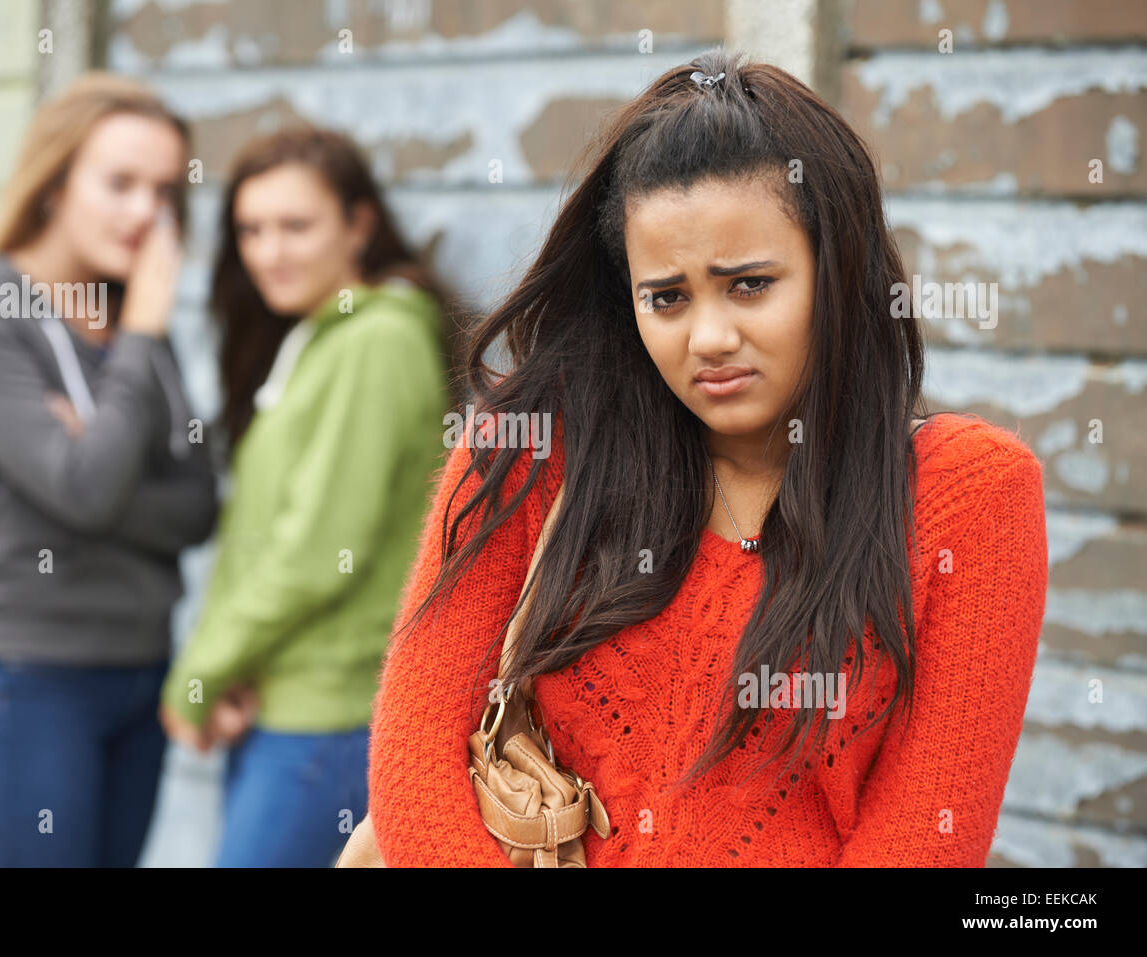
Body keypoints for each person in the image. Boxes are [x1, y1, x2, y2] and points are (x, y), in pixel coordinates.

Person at [365, 49, 1049, 866]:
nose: (710, 338)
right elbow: (412, 778)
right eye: (668, 297)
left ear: (839, 271)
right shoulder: (528, 449)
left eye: (750, 284)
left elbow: (926, 842)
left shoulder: (968, 495)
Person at [0, 72, 218, 866]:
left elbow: (197, 505)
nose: (143, 213)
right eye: (118, 182)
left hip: (141, 669)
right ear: (54, 182)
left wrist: (95, 464)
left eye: (162, 190)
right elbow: (87, 489)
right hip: (33, 677)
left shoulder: (125, 316)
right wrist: (97, 467)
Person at [158, 127, 458, 867]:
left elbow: (319, 551)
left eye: (296, 226)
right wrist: (238, 668)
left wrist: (198, 676)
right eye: (251, 229)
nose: (269, 252)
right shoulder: (319, 338)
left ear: (358, 224)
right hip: (284, 702)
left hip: (331, 715)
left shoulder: (375, 340)